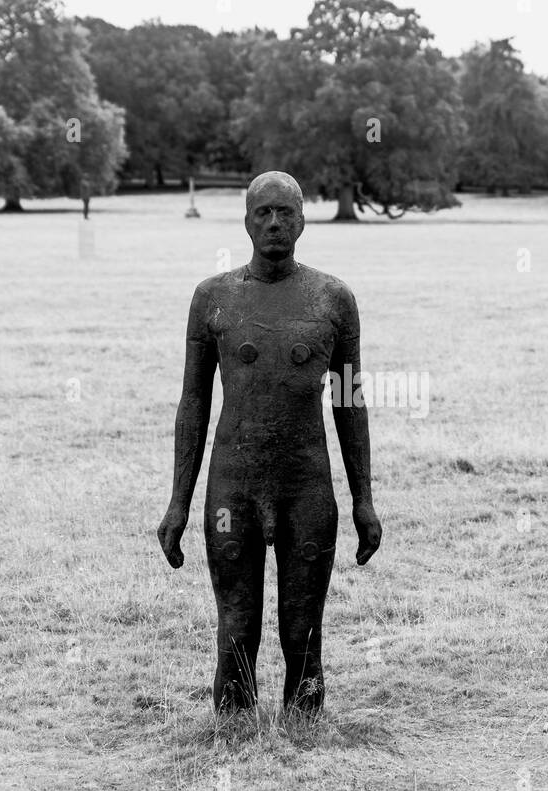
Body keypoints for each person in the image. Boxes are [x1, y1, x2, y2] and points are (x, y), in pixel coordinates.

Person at [157, 171, 382, 712]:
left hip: (307, 488)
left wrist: (364, 500)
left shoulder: (333, 299)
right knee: (236, 625)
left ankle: (304, 724)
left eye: (286, 212)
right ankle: (233, 725)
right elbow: (194, 404)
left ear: (304, 220)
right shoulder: (213, 299)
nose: (275, 223)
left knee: (303, 629)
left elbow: (349, 402)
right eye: (264, 212)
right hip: (232, 489)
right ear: (246, 221)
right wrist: (178, 503)